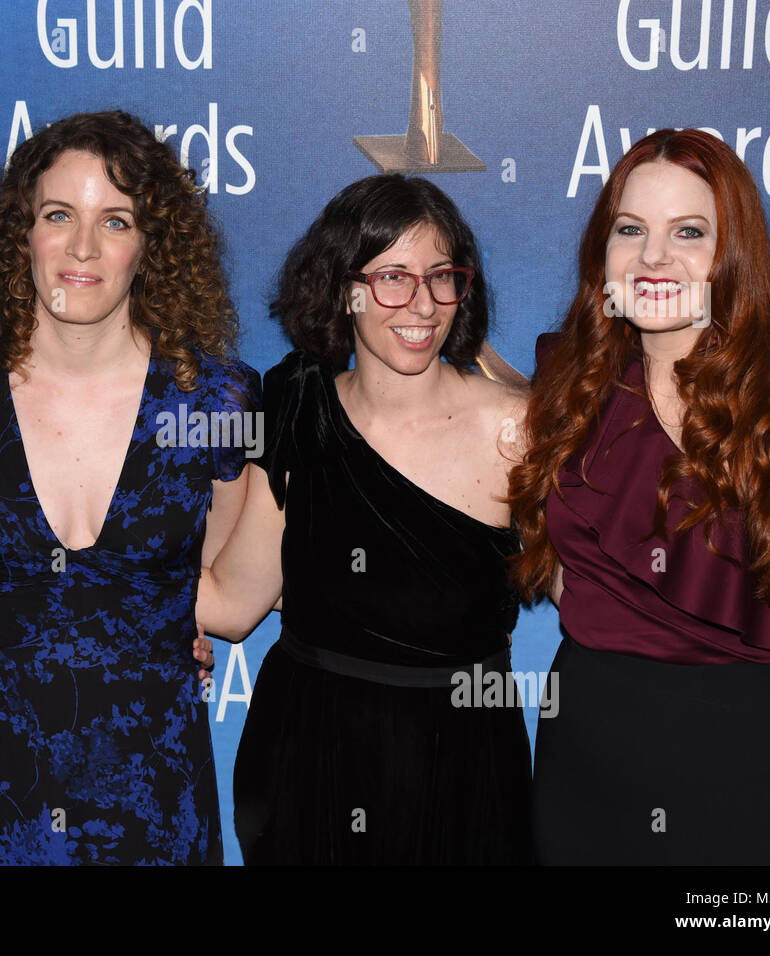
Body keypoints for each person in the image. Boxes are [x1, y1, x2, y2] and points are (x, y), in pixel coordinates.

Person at [0, 110, 259, 865]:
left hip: (152, 780)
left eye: (115, 221)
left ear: (151, 247)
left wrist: (170, 616)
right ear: (22, 234)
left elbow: (210, 577)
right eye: (59, 215)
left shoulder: (216, 401)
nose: (82, 248)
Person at [507, 128, 770, 865]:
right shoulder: (565, 402)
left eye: (689, 232)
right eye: (630, 230)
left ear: (731, 259)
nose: (655, 257)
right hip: (584, 783)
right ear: (603, 253)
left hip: (750, 789)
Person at [196, 174, 534, 864]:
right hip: (311, 752)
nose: (422, 304)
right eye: (393, 278)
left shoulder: (517, 430)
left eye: (443, 277)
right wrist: (86, 569)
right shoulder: (294, 407)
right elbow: (233, 601)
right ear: (342, 289)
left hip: (465, 763)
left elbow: (595, 591)